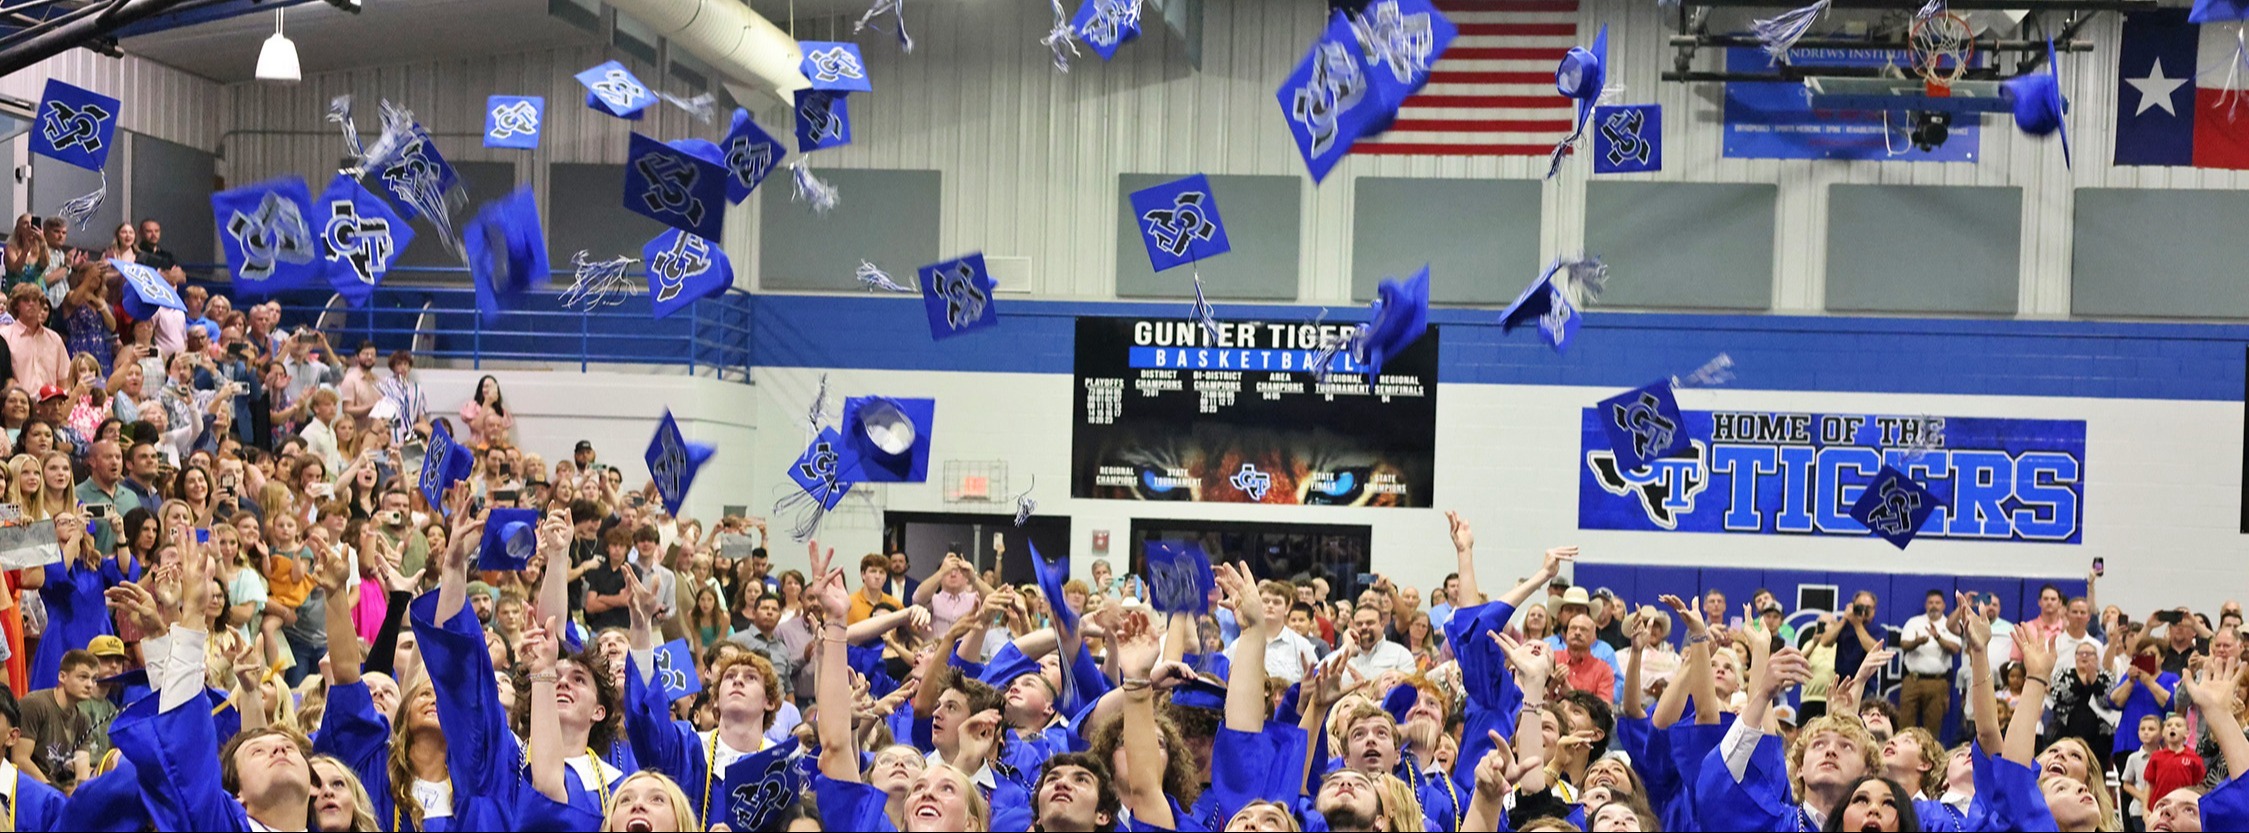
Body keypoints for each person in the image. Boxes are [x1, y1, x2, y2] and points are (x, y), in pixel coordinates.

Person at [17, 648, 97, 789]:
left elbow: (82, 775)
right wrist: (54, 792)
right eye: (83, 677)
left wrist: (80, 795)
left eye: (94, 679)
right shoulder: (35, 704)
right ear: (62, 677)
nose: (90, 685)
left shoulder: (83, 720)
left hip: (57, 790)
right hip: (26, 789)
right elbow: (20, 760)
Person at [1898, 589, 1962, 734]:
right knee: (1905, 725)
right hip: (1912, 680)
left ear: (1944, 605)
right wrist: (1918, 641)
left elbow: (1955, 649)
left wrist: (1937, 637)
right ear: (1926, 605)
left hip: (1937, 682)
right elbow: (1904, 645)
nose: (1934, 606)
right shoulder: (1914, 622)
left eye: (1937, 603)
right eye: (1930, 602)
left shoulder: (1950, 624)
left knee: (1933, 728)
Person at [3, 284, 67, 395]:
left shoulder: (54, 339)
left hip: (50, 404)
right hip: (19, 405)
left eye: (35, 300)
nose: (31, 304)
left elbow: (64, 378)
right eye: (26, 300)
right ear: (16, 305)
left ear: (41, 305)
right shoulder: (4, 337)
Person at [376, 350, 428, 450]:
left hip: (411, 436)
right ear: (393, 367)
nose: (403, 367)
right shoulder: (385, 387)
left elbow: (420, 416)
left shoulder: (417, 389)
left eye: (405, 364)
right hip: (391, 434)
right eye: (399, 364)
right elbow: (380, 417)